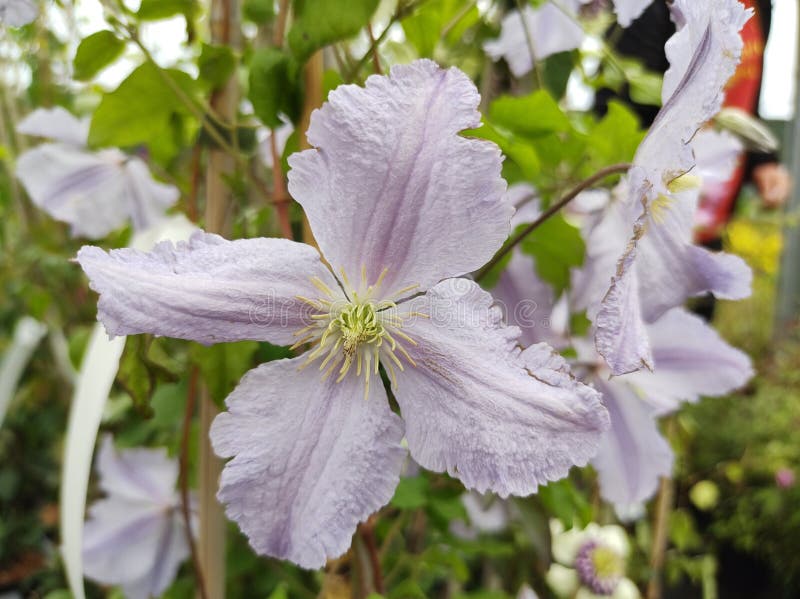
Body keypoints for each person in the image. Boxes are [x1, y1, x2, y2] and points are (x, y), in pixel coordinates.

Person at [596, 0, 791, 244]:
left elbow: (743, 88)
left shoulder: (760, 5)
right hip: (652, 223)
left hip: (712, 221)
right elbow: (615, 113)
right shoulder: (652, 7)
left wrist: (762, 160)